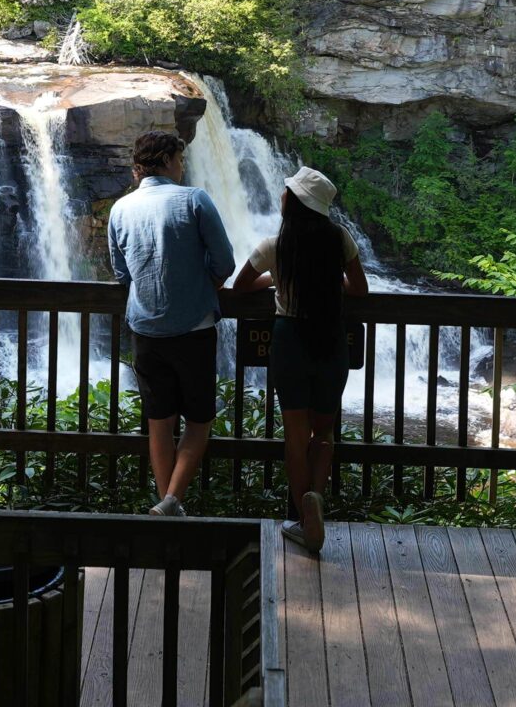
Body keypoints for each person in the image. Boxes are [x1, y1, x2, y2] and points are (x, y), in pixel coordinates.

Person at [229, 166, 367, 553]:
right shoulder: (339, 239)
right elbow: (359, 288)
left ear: (293, 201)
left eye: (286, 191)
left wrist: (276, 279)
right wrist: (326, 280)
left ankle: (303, 518)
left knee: (294, 435)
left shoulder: (275, 245)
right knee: (323, 432)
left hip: (289, 340)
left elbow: (240, 288)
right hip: (330, 338)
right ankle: (315, 503)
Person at [107, 130, 237, 516]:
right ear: (165, 159)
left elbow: (121, 274)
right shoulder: (194, 199)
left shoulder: (119, 209)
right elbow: (226, 263)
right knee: (199, 421)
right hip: (193, 329)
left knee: (159, 423)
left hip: (144, 330)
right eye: (180, 160)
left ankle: (166, 510)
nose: (182, 167)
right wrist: (204, 281)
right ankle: (171, 501)